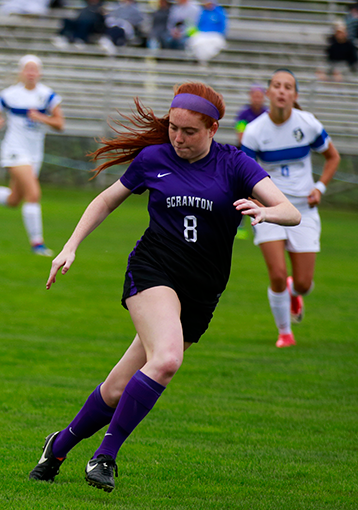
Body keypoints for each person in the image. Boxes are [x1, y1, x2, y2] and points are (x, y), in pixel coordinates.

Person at [27, 82, 300, 493]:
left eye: (189, 131)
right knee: (167, 360)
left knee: (120, 387)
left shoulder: (235, 164)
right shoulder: (154, 158)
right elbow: (105, 200)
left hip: (202, 293)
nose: (177, 138)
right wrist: (69, 246)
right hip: (153, 272)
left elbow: (291, 212)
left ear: (212, 129)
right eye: (173, 127)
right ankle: (105, 456)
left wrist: (267, 211)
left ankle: (59, 444)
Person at [241, 69, 340, 348]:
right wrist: (258, 202)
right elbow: (242, 171)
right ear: (269, 92)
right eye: (277, 85)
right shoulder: (254, 131)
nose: (282, 91)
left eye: (288, 87)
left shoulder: (307, 123)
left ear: (295, 95)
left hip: (303, 209)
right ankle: (285, 333)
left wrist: (319, 188)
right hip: (269, 209)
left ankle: (295, 293)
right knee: (276, 273)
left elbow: (333, 157)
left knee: (304, 283)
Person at [0, 55, 64, 257]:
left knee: (14, 200)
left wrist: (41, 117)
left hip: (34, 153)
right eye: (27, 69)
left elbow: (60, 124)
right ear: (21, 72)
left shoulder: (47, 95)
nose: (31, 73)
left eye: (34, 69)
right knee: (33, 194)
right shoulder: (10, 94)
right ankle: (37, 243)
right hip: (14, 150)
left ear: (40, 73)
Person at [233, 84, 268, 239]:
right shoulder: (243, 115)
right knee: (241, 192)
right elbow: (240, 135)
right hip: (246, 157)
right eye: (254, 95)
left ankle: (260, 220)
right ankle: (239, 224)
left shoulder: (267, 114)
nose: (257, 98)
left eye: (259, 95)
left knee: (260, 192)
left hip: (262, 157)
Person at [185, 0, 226, 64]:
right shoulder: (202, 12)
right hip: (203, 34)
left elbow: (222, 26)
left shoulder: (219, 12)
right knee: (196, 41)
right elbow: (198, 25)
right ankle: (201, 60)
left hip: (215, 34)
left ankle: (204, 60)